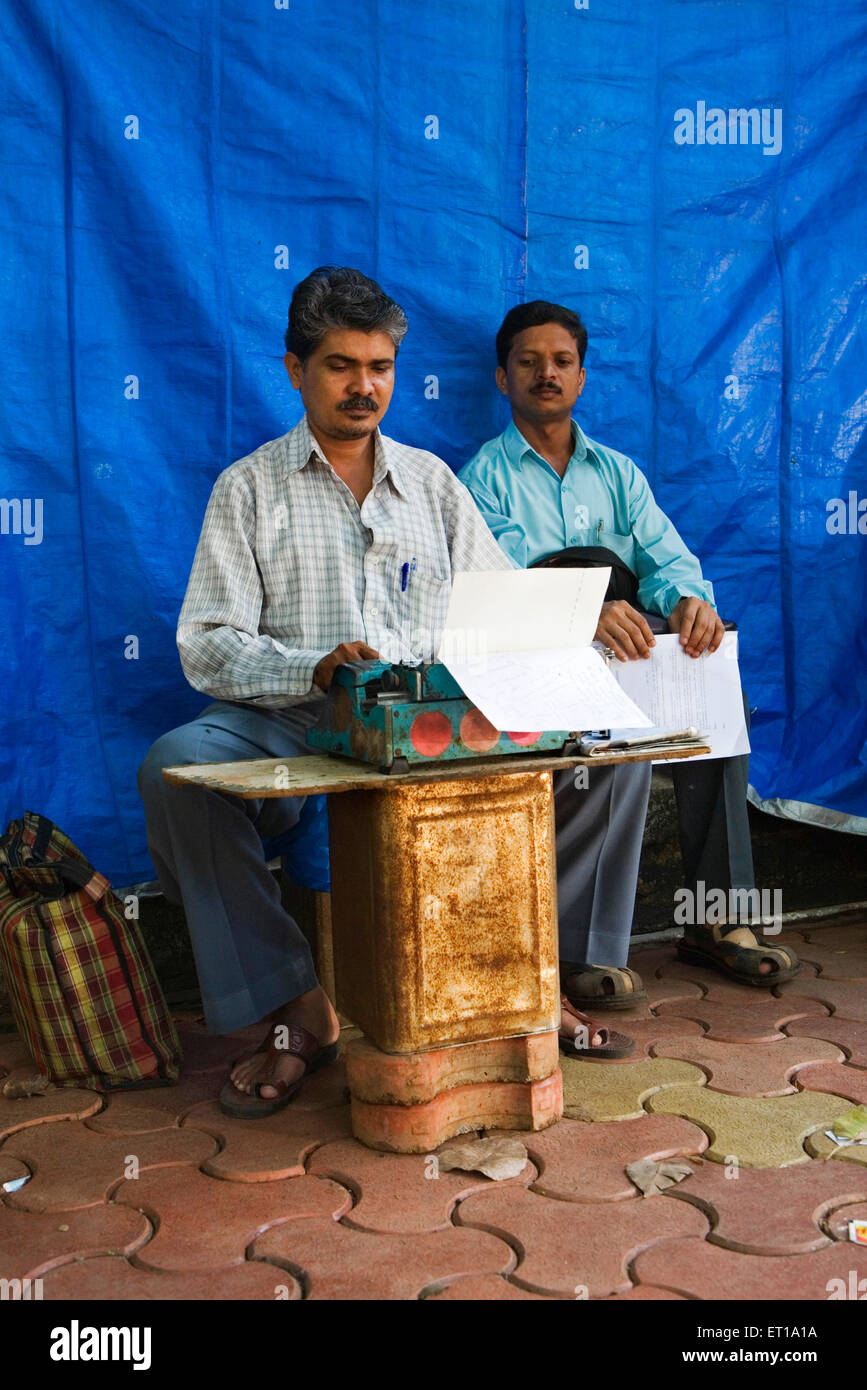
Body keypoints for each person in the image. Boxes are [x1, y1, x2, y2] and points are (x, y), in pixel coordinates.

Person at [137, 270, 617, 1121]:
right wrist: (314, 667)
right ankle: (295, 1009)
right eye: (340, 365)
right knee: (178, 770)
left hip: (424, 727)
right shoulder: (248, 489)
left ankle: (535, 985)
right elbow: (204, 646)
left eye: (381, 366)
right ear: (294, 369)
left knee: (599, 756)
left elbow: (500, 601)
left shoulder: (431, 483)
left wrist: (575, 621)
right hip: (292, 725)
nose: (365, 386)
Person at [460, 301, 799, 1006]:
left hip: (623, 644)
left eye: (560, 362)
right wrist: (581, 611)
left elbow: (669, 558)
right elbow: (497, 581)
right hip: (535, 656)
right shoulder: (480, 479)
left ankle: (719, 919)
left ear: (581, 377)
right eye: (528, 362)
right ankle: (583, 953)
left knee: (715, 688)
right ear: (502, 378)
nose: (545, 374)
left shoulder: (616, 473)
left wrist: (687, 601)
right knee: (611, 738)